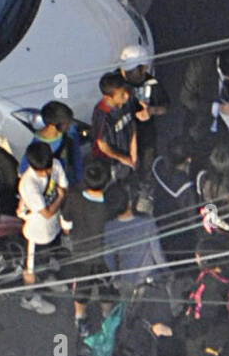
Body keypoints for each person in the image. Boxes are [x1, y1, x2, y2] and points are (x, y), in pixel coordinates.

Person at [59, 160, 115, 338]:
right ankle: (108, 319)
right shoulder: (111, 204)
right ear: (106, 182)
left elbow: (66, 225)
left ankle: (80, 318)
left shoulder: (74, 198)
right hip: (105, 256)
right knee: (107, 288)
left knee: (82, 289)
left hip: (81, 254)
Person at [16, 140, 68, 315]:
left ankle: (47, 277)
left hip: (53, 227)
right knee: (30, 268)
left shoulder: (54, 165)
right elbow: (45, 212)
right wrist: (59, 198)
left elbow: (63, 185)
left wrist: (58, 200)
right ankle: (29, 298)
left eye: (49, 167)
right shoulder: (28, 184)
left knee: (48, 254)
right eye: (43, 171)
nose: (48, 172)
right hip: (36, 233)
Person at [102, 183, 166, 312]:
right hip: (149, 277)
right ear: (130, 203)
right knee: (151, 309)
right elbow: (157, 253)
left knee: (129, 308)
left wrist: (115, 276)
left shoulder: (109, 227)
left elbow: (108, 257)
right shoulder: (147, 223)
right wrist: (167, 272)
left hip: (127, 279)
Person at [124, 63, 171, 198]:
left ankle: (146, 191)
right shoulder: (120, 82)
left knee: (147, 163)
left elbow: (165, 106)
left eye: (130, 71)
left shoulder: (152, 84)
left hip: (146, 132)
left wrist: (151, 110)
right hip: (125, 133)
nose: (126, 74)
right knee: (128, 167)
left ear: (142, 69)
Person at [18, 100, 84, 185]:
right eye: (67, 123)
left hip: (67, 181)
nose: (70, 125)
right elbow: (23, 171)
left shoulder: (71, 132)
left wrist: (79, 178)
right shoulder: (37, 146)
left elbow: (76, 154)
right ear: (53, 125)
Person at [89, 71, 137, 183]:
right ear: (108, 97)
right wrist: (122, 158)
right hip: (109, 160)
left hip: (126, 151)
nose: (127, 95)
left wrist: (133, 150)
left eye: (126, 91)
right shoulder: (102, 115)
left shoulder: (126, 102)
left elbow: (132, 123)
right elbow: (102, 145)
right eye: (122, 94)